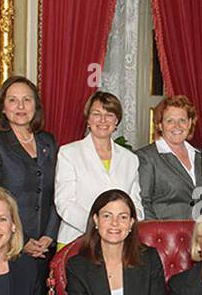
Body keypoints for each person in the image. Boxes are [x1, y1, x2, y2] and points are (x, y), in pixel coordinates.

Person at [0, 75, 59, 287]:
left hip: (45, 246)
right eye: (13, 100)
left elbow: (57, 192)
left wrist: (49, 236)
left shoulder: (47, 141)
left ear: (35, 106)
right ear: (3, 107)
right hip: (8, 246)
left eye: (27, 100)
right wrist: (22, 240)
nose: (20, 106)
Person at [55, 91, 143, 246]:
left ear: (117, 121)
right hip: (77, 239)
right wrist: (98, 229)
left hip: (119, 241)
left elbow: (135, 205)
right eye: (96, 114)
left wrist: (124, 228)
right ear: (88, 119)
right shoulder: (68, 153)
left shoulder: (130, 159)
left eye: (109, 114)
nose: (103, 120)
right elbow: (65, 203)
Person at [135, 94, 202, 219]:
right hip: (164, 235)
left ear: (189, 123)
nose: (176, 126)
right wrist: (156, 235)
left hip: (199, 234)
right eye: (170, 121)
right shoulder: (147, 158)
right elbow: (143, 203)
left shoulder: (200, 157)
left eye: (182, 120)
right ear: (160, 125)